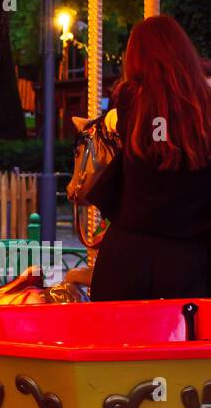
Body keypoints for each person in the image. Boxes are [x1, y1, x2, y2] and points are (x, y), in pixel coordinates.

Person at [90, 15, 211, 301]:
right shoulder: (203, 109)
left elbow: (112, 124)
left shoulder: (130, 101)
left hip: (129, 253)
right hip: (188, 257)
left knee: (119, 340)